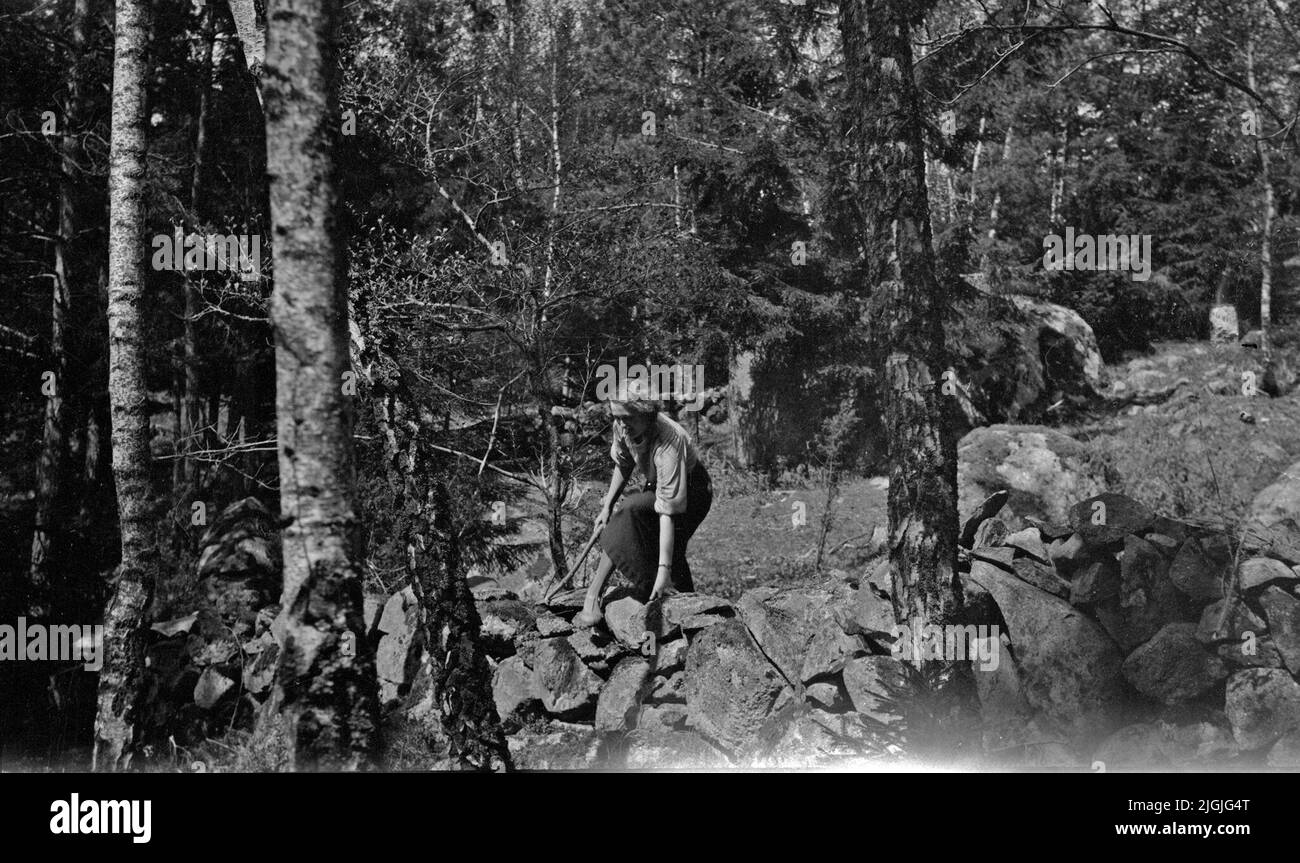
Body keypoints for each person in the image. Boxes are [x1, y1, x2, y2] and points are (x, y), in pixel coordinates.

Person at [574, 381, 713, 627]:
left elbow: (667, 511)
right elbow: (624, 464)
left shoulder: (669, 440)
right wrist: (606, 506)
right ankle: (593, 595)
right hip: (658, 481)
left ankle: (682, 605)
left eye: (627, 417)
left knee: (666, 542)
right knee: (626, 514)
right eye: (616, 417)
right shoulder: (622, 425)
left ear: (647, 414)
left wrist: (662, 572)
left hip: (693, 491)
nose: (621, 423)